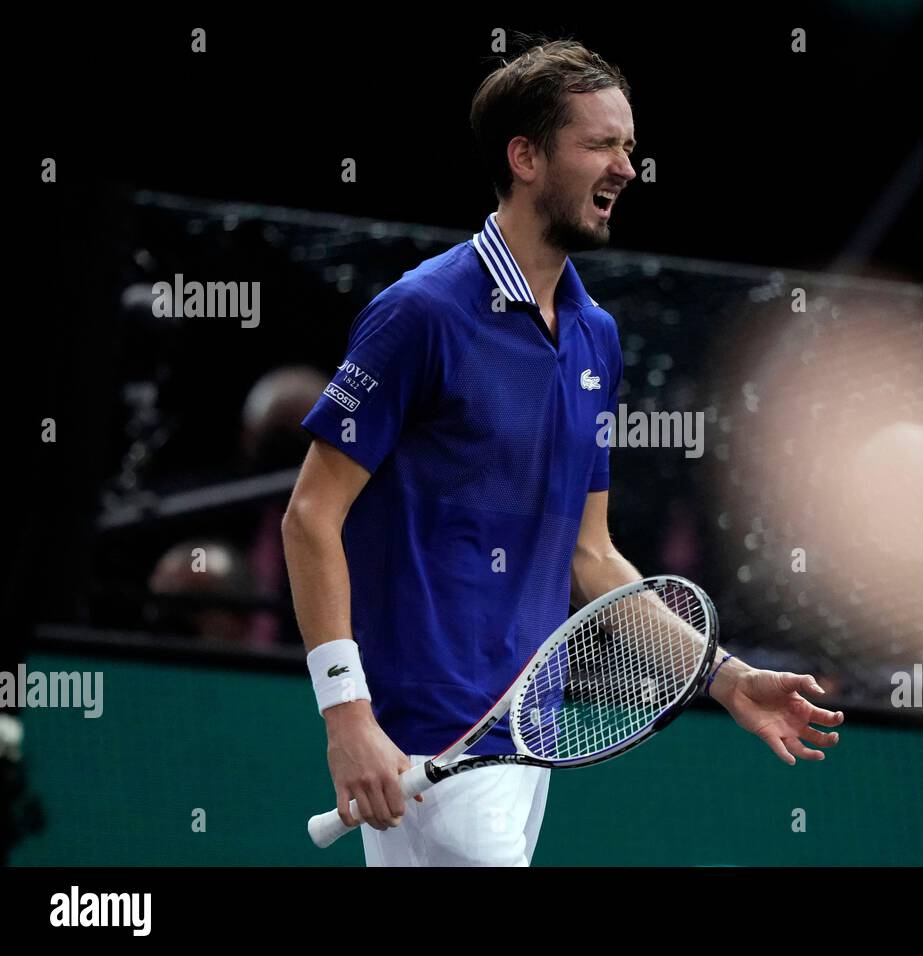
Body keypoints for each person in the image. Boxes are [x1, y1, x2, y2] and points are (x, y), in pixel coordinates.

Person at [281, 37, 843, 867]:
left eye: (630, 147)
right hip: (429, 731)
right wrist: (346, 715)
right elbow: (309, 516)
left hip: (526, 734)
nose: (626, 168)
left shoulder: (594, 336)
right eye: (601, 144)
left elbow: (592, 556)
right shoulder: (420, 314)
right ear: (526, 158)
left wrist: (725, 679)